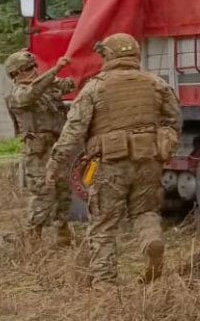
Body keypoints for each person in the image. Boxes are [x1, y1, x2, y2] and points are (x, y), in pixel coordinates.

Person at [47, 34, 181, 286]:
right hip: (149, 160)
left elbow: (74, 129)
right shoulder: (156, 83)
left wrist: (56, 162)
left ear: (108, 56)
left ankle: (105, 283)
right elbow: (174, 119)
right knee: (145, 211)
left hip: (111, 163)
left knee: (104, 223)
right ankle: (152, 241)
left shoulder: (95, 86)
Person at [4, 50, 75, 246]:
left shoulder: (47, 87)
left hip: (57, 147)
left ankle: (63, 233)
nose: (34, 70)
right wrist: (55, 70)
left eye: (34, 66)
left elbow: (71, 83)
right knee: (44, 193)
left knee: (63, 191)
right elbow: (31, 94)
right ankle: (32, 236)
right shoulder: (18, 94)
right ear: (16, 74)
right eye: (27, 68)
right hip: (38, 152)